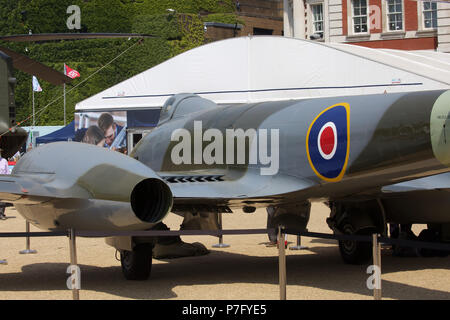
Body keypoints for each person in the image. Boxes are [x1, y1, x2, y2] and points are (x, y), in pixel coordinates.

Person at [0, 149, 10, 220]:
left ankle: (1, 214)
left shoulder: (4, 161)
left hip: (2, 182)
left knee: (2, 200)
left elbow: (7, 172)